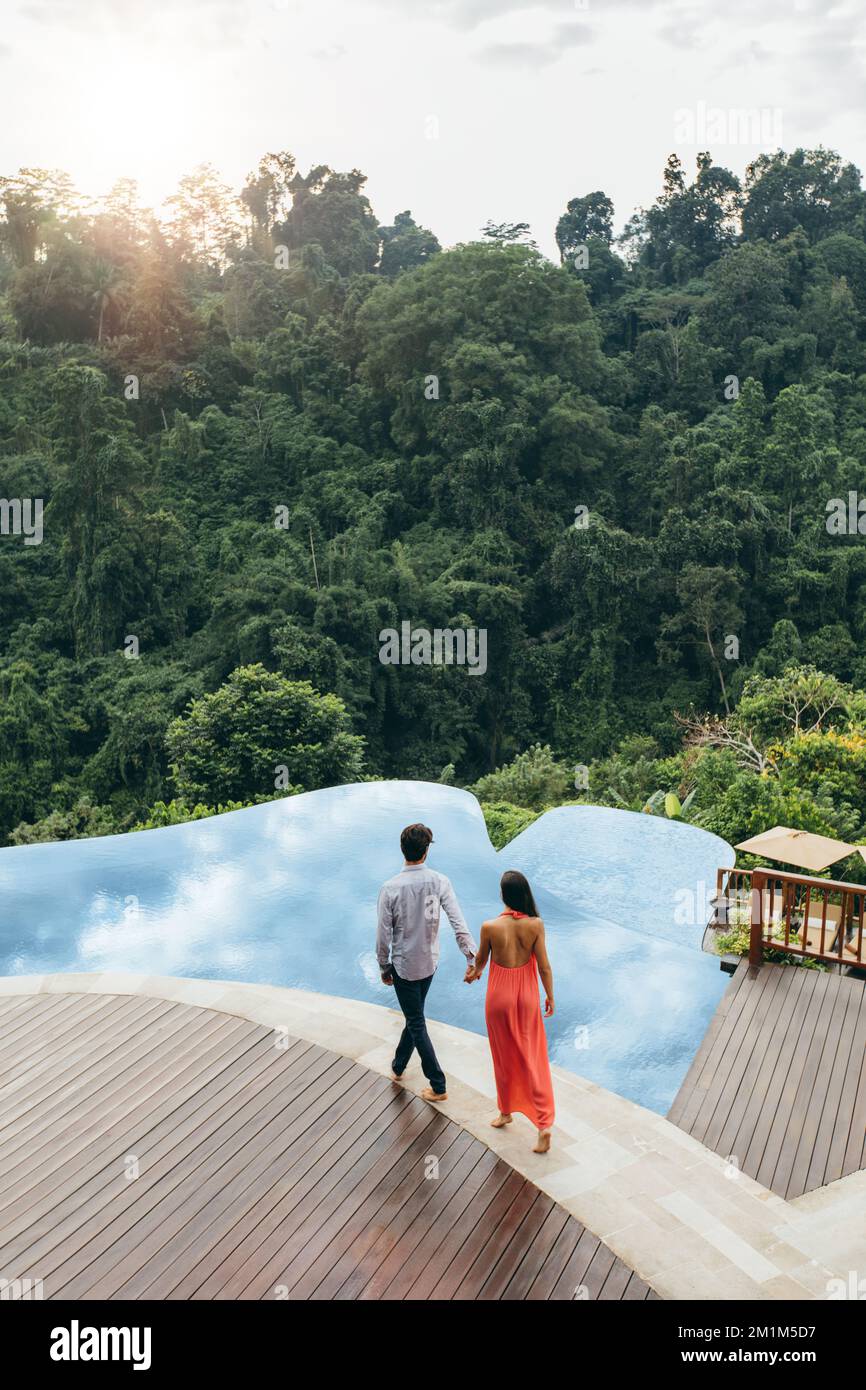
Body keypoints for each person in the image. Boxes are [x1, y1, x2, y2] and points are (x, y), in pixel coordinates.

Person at [376, 822, 477, 1103]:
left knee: (416, 1021)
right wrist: (471, 956)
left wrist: (384, 966)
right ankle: (398, 1066)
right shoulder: (440, 881)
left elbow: (383, 933)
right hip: (429, 963)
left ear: (403, 850)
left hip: (404, 966)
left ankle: (438, 1084)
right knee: (415, 1015)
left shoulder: (390, 888)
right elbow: (458, 922)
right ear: (426, 851)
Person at [466, 869, 555, 1153]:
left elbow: (480, 962)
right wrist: (550, 995)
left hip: (499, 1000)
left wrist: (472, 975)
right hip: (527, 998)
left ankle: (505, 1111)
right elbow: (544, 966)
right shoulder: (535, 925)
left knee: (503, 1057)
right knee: (533, 1059)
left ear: (503, 895)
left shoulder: (489, 927)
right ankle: (543, 1125)